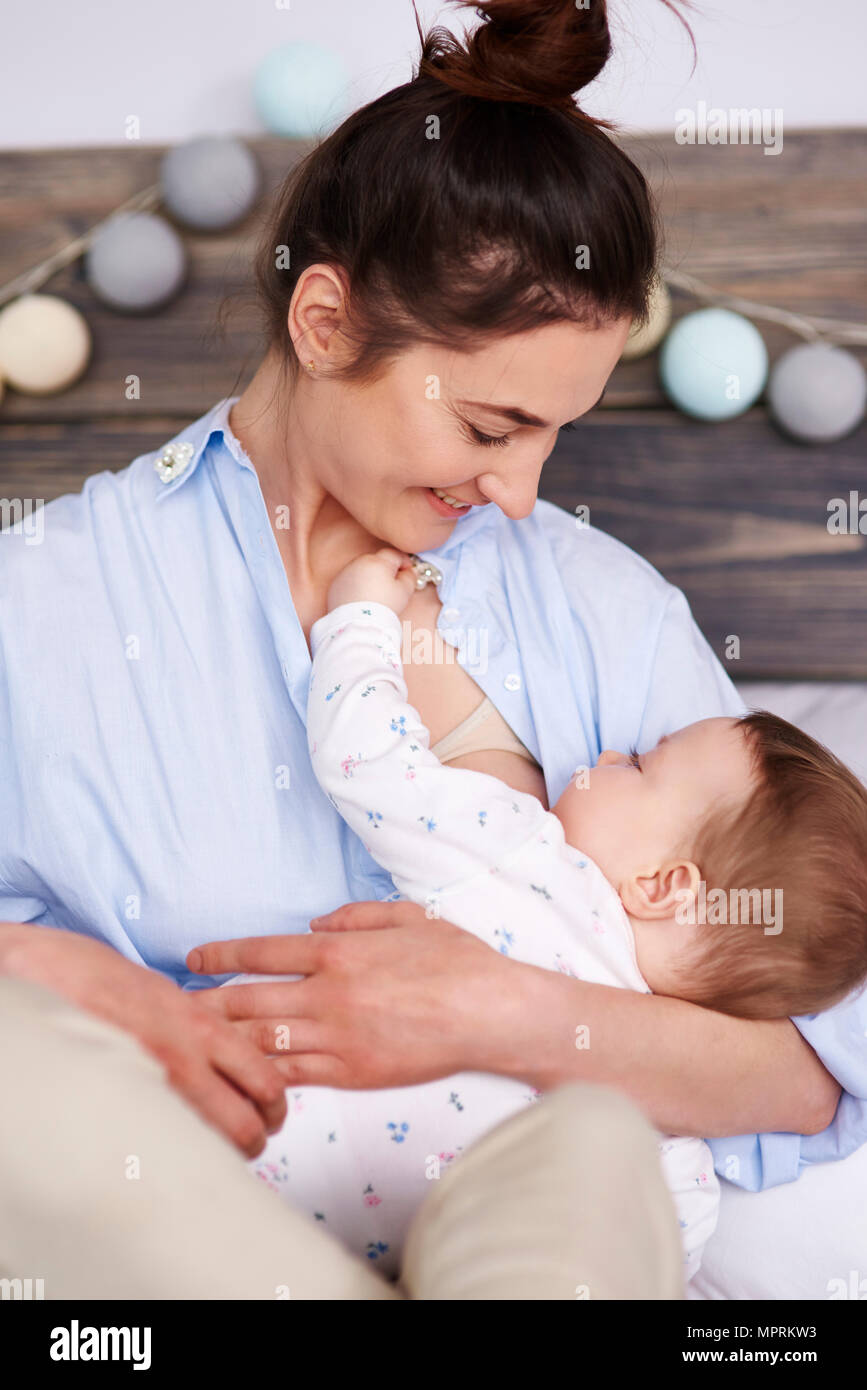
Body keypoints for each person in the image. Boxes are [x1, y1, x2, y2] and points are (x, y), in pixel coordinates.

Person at [0, 0, 858, 1296]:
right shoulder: (46, 600)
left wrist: (501, 1014)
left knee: (588, 1142)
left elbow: (810, 1063)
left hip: (524, 1226)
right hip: (205, 1232)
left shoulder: (602, 611)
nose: (518, 495)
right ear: (327, 323)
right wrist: (50, 972)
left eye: (553, 435)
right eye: (491, 426)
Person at [237, 546, 867, 1283]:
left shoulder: (526, 860)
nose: (602, 751)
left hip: (233, 1150)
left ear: (662, 886)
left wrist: (359, 618)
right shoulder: (673, 1162)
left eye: (635, 764)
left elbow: (369, 761)